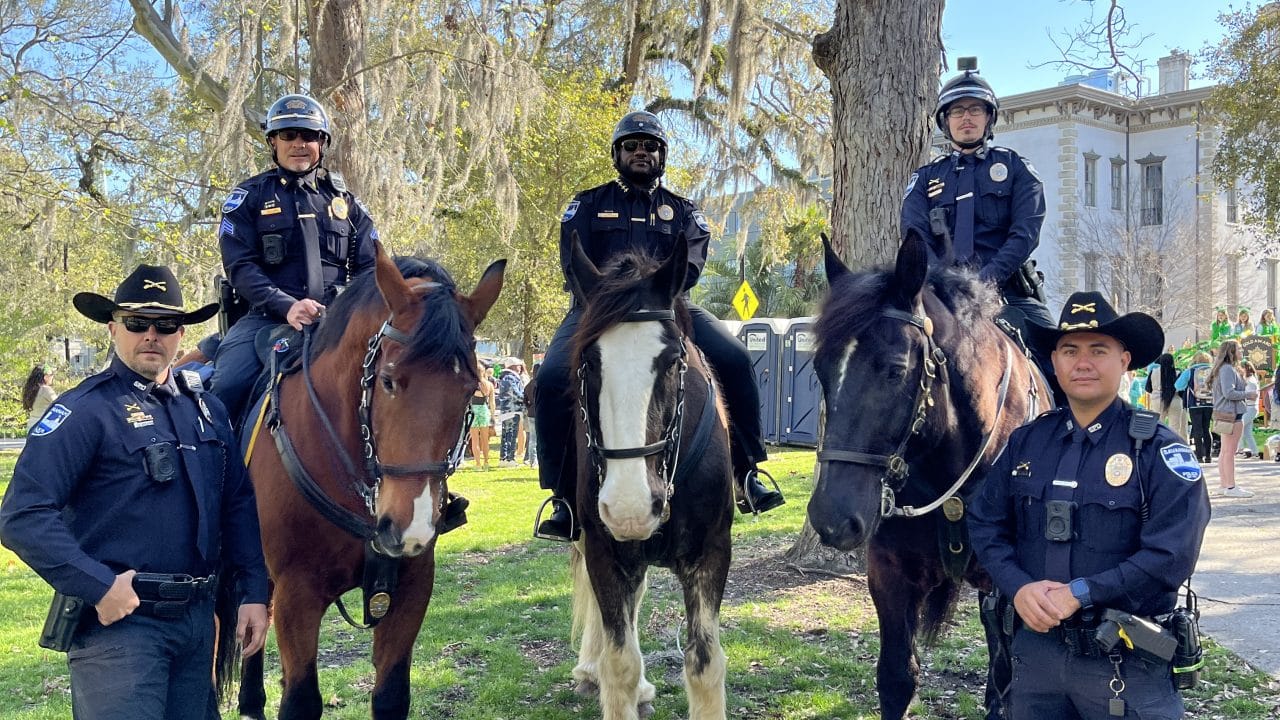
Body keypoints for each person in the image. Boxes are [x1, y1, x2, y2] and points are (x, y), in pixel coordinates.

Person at [0, 264, 269, 720]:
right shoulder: (86, 410)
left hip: (197, 622)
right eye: (136, 323)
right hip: (121, 627)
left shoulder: (206, 409)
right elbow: (23, 515)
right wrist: (99, 586)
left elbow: (237, 503)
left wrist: (254, 591)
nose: (151, 335)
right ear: (112, 327)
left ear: (181, 333)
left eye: (165, 325)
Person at [533, 110, 783, 541]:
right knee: (552, 378)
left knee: (736, 358)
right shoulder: (588, 204)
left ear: (661, 155)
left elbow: (691, 265)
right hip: (596, 311)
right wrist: (611, 300)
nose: (641, 152)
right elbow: (574, 263)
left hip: (669, 310)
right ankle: (562, 498)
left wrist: (655, 297)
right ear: (618, 154)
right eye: (631, 145)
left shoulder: (684, 212)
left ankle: (747, 471)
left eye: (650, 146)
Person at [969, 290, 1211, 719]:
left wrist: (1081, 593)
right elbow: (985, 523)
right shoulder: (1025, 443)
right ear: (1055, 363)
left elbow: (1171, 555)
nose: (1083, 362)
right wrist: (1018, 586)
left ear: (1124, 361)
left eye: (1099, 350)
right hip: (1035, 660)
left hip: (1127, 664)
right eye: (1069, 350)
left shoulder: (1158, 451)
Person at [210, 93, 378, 425]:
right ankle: (218, 473)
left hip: (337, 320)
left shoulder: (346, 202)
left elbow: (370, 267)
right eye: (288, 135)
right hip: (266, 319)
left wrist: (352, 311)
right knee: (225, 388)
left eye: (309, 136)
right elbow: (240, 267)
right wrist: (287, 305)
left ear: (322, 143)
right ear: (273, 141)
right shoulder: (249, 197)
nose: (299, 143)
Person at [900, 61, 1057, 391]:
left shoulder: (1015, 168)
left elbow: (1026, 232)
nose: (966, 118)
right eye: (957, 111)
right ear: (946, 121)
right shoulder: (926, 178)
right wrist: (947, 284)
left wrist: (987, 280)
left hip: (1007, 291)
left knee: (1059, 361)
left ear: (989, 118)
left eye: (974, 109)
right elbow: (914, 233)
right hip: (941, 295)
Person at [1210, 339, 1253, 497]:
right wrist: (1249, 394)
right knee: (1229, 451)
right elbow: (1229, 393)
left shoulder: (1223, 368)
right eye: (1239, 349)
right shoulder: (1228, 369)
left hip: (1226, 413)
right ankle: (1230, 486)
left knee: (1225, 451)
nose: (1242, 351)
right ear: (1231, 352)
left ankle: (1225, 484)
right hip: (1232, 414)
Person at [1175, 351, 1214, 464]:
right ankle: (1208, 456)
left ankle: (1199, 456)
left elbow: (1178, 385)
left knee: (1197, 429)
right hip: (1209, 402)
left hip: (1194, 403)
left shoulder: (1190, 371)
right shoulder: (1213, 371)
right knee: (1206, 429)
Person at [1145, 353, 1186, 439]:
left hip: (1158, 401)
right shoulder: (1178, 372)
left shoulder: (1153, 372)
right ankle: (1173, 444)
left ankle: (1159, 445)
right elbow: (1182, 390)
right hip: (1175, 399)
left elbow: (1148, 388)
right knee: (1175, 427)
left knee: (1159, 426)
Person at [496, 357, 526, 468]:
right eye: (518, 365)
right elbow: (516, 393)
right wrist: (527, 399)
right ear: (513, 366)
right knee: (511, 434)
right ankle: (509, 458)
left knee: (507, 434)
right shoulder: (510, 378)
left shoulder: (506, 378)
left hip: (508, 409)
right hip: (512, 409)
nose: (520, 367)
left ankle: (504, 458)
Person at [468, 358, 497, 470]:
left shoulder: (472, 384)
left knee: (475, 439)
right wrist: (493, 415)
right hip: (484, 410)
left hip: (473, 411)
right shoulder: (489, 385)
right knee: (485, 439)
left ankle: (477, 464)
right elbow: (492, 402)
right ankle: (486, 462)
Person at [21, 365, 58, 431]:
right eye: (51, 374)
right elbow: (59, 404)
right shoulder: (46, 390)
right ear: (45, 376)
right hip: (43, 426)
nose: (52, 377)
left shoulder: (30, 390)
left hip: (31, 425)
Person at [1238, 361, 1261, 460]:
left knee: (1239, 428)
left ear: (1245, 369)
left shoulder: (1250, 381)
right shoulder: (1249, 380)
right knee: (1247, 432)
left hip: (1250, 408)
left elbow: (1251, 396)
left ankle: (1240, 450)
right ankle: (1255, 453)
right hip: (1250, 408)